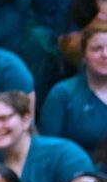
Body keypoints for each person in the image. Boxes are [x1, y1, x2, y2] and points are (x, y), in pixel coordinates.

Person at [41, 21, 107, 154]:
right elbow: (47, 148)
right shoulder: (63, 94)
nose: (105, 55)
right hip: (78, 171)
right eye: (96, 49)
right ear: (83, 56)